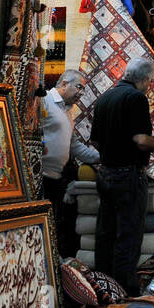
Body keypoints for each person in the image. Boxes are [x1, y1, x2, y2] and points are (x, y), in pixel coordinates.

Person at [89, 57, 154, 295]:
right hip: (129, 175)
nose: (149, 86)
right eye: (149, 82)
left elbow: (96, 141)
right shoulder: (136, 98)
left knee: (106, 232)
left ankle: (102, 286)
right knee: (128, 233)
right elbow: (141, 141)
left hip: (106, 173)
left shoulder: (105, 98)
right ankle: (123, 289)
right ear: (143, 79)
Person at [41, 69, 100, 258]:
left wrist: (104, 157)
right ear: (64, 83)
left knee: (57, 222)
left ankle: (54, 260)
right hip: (40, 176)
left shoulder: (67, 113)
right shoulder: (45, 101)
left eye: (83, 90)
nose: (81, 94)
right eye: (79, 87)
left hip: (57, 177)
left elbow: (75, 146)